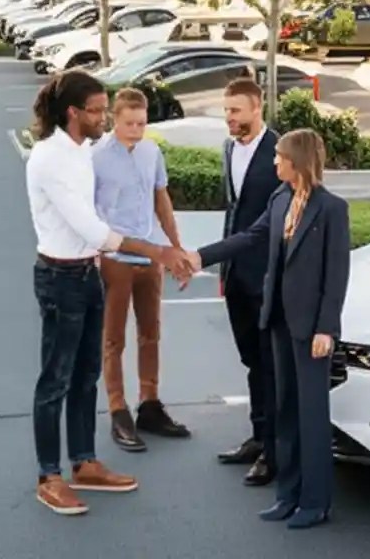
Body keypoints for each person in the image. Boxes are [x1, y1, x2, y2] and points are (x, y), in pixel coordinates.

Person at [25, 70, 192, 516]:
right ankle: (49, 476)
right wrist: (157, 250)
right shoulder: (49, 159)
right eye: (98, 111)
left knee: (85, 378)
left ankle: (83, 464)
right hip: (60, 278)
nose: (105, 118)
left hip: (86, 275)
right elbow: (94, 230)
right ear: (73, 113)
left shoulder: (84, 151)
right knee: (54, 381)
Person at [187, 128, 351, 530]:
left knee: (312, 417)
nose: (274, 162)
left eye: (279, 157)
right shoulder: (279, 199)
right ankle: (288, 495)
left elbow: (337, 276)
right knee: (285, 413)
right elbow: (249, 237)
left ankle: (316, 503)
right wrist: (199, 256)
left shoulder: (331, 209)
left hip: (311, 329)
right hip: (276, 320)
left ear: (297, 162)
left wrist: (326, 328)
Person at [93, 87, 191, 452]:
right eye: (129, 123)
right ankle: (118, 411)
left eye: (142, 123)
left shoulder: (151, 151)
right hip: (114, 258)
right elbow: (87, 212)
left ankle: (149, 403)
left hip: (150, 256)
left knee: (151, 333)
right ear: (114, 120)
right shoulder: (96, 156)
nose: (136, 129)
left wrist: (175, 246)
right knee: (112, 339)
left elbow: (160, 199)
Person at [214, 77, 282, 486]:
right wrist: (223, 271)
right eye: (226, 111)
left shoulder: (281, 152)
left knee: (270, 365)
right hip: (236, 276)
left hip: (267, 278)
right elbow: (233, 211)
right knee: (251, 362)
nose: (229, 118)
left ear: (257, 109)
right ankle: (258, 437)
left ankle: (273, 451)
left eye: (236, 111)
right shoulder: (227, 148)